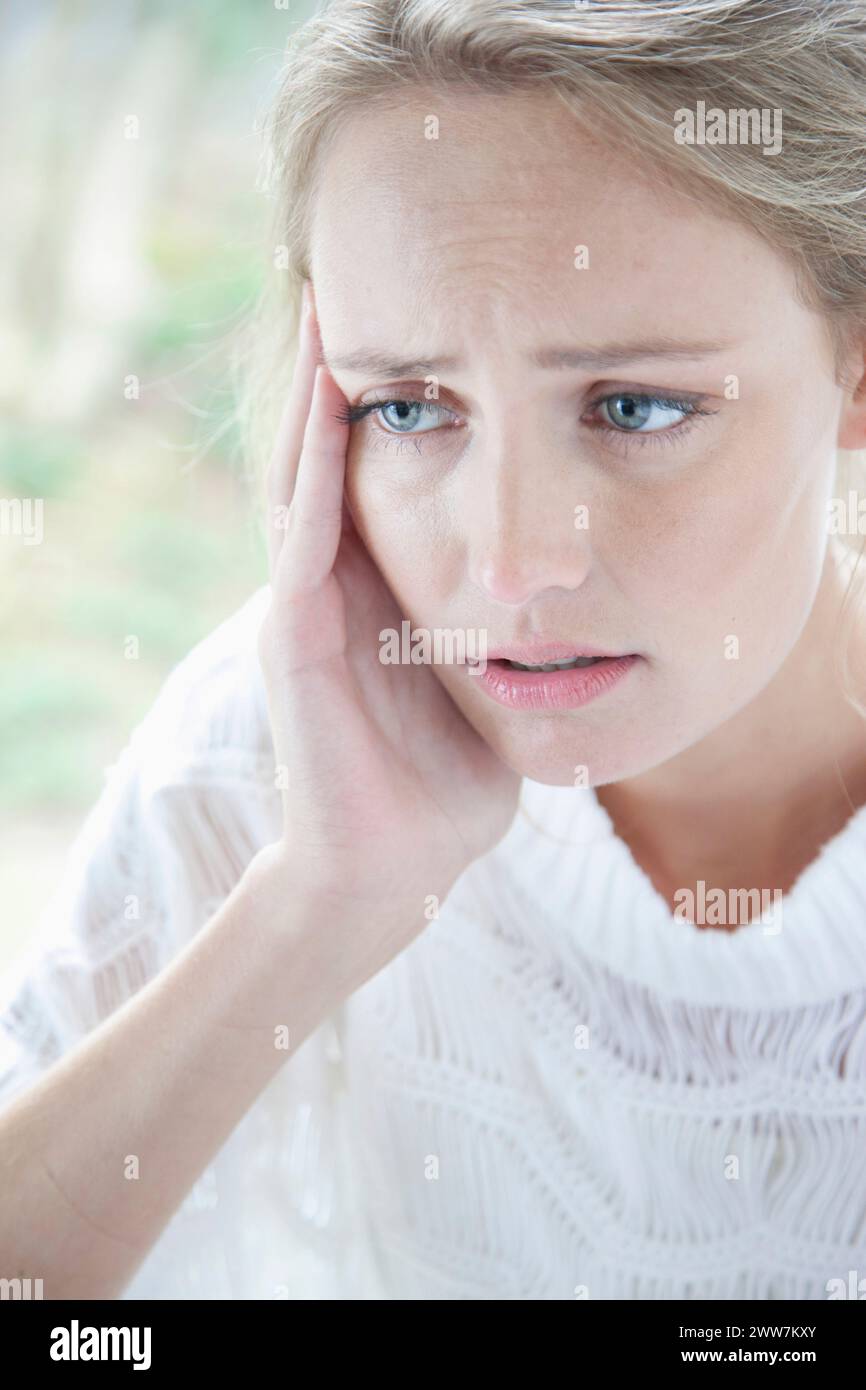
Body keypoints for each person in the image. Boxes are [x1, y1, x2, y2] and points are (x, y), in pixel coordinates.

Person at [3, 0, 866, 1301]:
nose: (512, 566)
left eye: (634, 406)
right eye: (408, 407)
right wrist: (323, 895)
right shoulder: (273, 741)